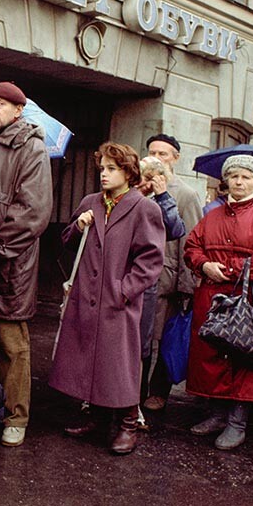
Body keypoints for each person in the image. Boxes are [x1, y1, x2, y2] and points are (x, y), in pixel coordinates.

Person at [50, 143, 164, 454]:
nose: (104, 174)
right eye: (102, 168)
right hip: (86, 294)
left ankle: (128, 424)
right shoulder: (91, 202)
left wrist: (124, 290)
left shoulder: (144, 208)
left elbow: (152, 260)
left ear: (128, 173)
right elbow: (66, 242)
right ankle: (98, 418)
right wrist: (78, 226)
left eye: (112, 169)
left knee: (119, 364)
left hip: (118, 301)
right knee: (91, 359)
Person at [0, 81, 53, 447]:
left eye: (1, 104)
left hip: (9, 264)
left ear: (19, 110)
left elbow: (33, 213)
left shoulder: (31, 148)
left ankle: (16, 416)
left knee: (12, 345)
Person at [183, 155, 253, 450]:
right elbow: (192, 246)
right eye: (234, 177)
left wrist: (228, 269)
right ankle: (216, 413)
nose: (239, 182)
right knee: (211, 352)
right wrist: (203, 265)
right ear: (226, 181)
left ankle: (237, 422)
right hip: (212, 293)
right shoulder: (211, 216)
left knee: (244, 355)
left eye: (246, 177)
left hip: (248, 296)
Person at [142, 134, 203, 411]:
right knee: (139, 340)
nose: (156, 157)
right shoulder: (137, 186)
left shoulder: (185, 194)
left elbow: (189, 240)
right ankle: (134, 391)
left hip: (168, 280)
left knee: (164, 340)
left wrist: (187, 285)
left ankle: (158, 391)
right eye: (152, 151)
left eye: (163, 154)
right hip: (141, 277)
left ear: (175, 159)